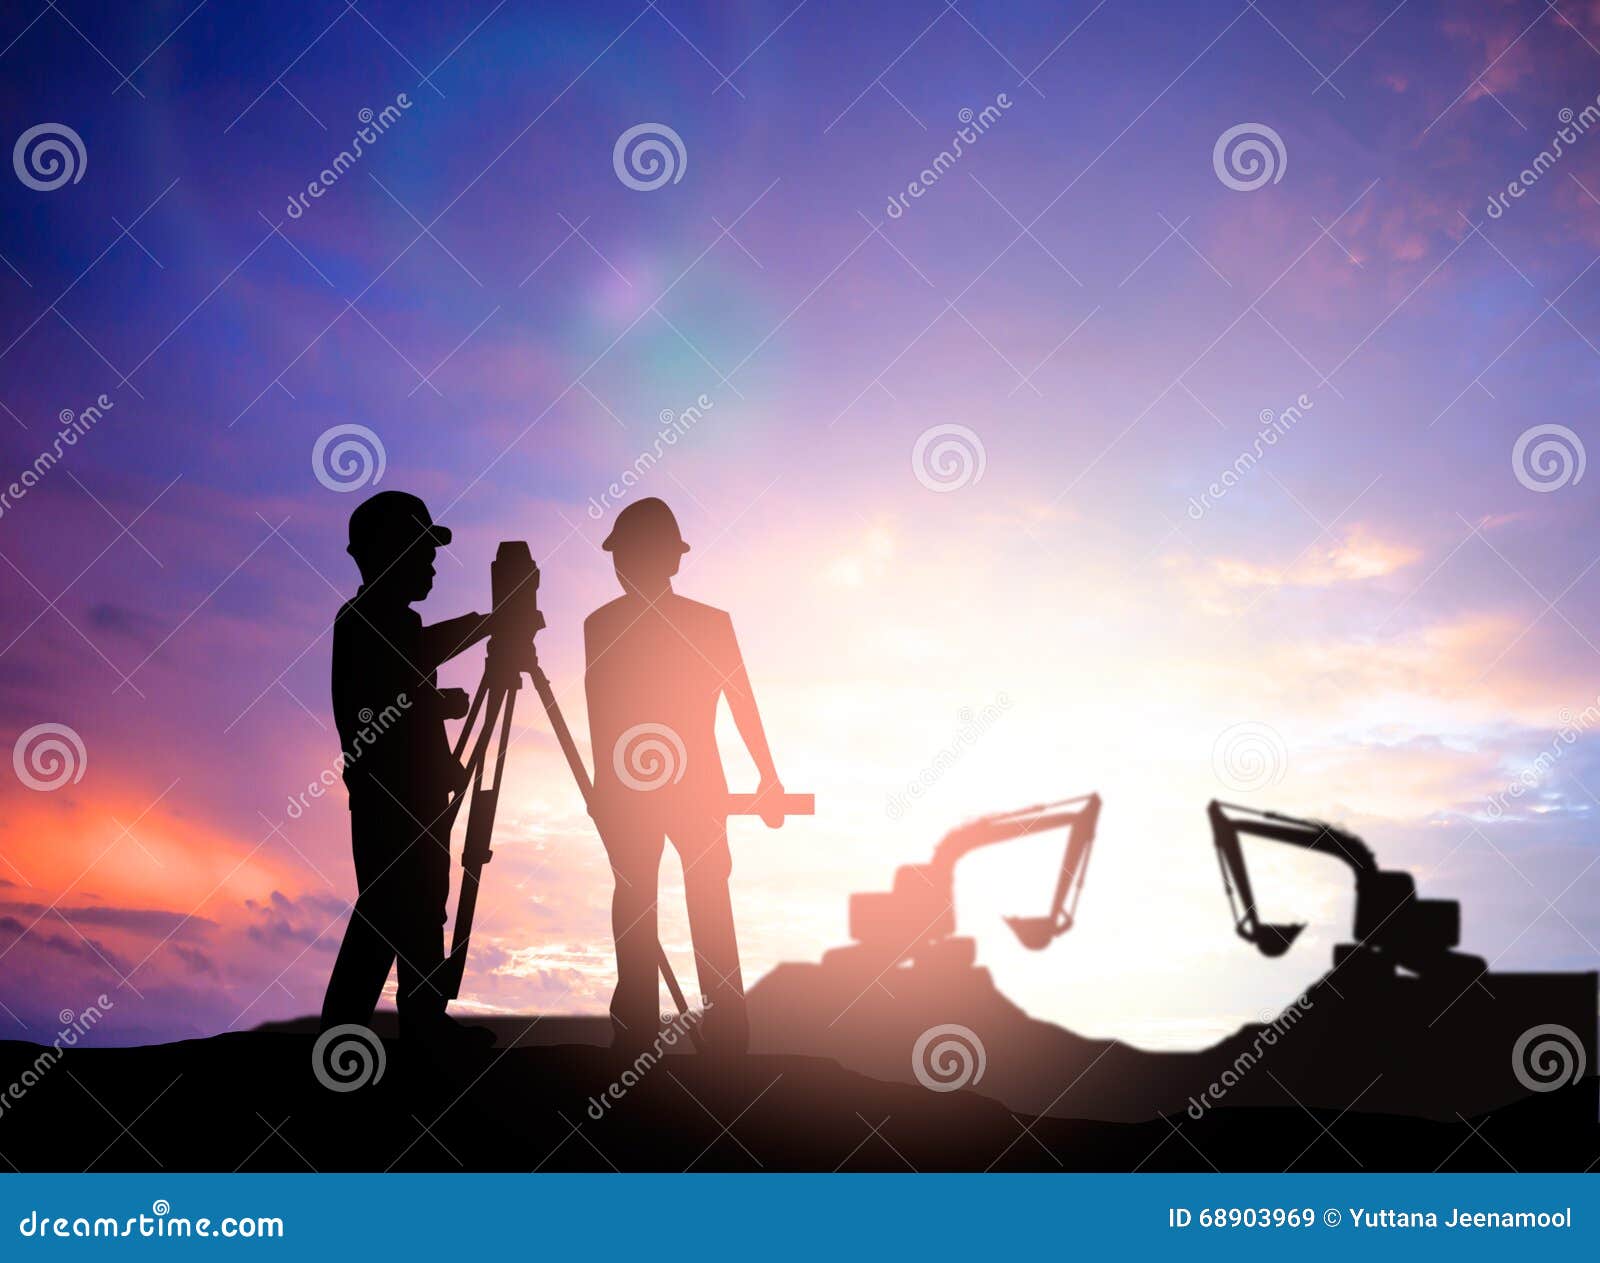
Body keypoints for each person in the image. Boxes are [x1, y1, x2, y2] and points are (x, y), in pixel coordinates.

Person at [585, 498, 784, 1056]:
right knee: (659, 897)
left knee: (673, 896)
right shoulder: (613, 624)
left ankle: (671, 1030)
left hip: (664, 790)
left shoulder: (686, 624)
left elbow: (741, 701)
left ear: (666, 561)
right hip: (665, 790)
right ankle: (673, 1029)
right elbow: (602, 710)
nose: (623, 567)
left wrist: (769, 778)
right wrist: (767, 778)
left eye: (628, 555)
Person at [319, 489, 495, 1049]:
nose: (432, 566)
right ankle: (344, 1033)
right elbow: (403, 666)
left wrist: (436, 709)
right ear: (390, 554)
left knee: (420, 911)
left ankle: (421, 1023)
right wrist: (487, 623)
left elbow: (395, 691)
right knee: (385, 914)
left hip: (413, 797)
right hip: (389, 801)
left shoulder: (390, 623)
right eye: (422, 553)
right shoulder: (366, 620)